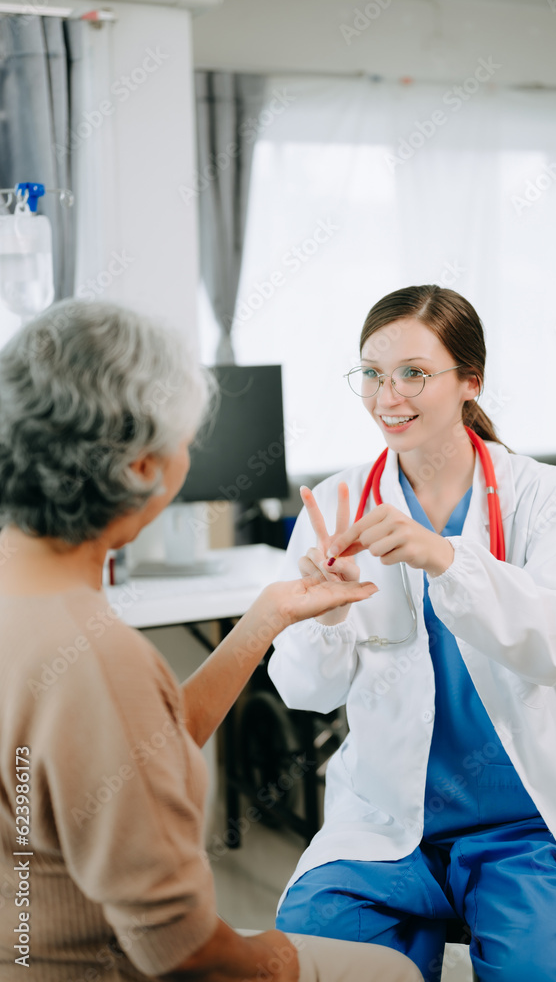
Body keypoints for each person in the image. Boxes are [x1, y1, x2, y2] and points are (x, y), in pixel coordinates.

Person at [0, 299, 424, 982]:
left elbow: (130, 751)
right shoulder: (94, 657)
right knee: (393, 972)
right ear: (142, 469)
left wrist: (264, 619)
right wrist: (286, 959)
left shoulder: (27, 601)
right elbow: (188, 953)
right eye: (185, 442)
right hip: (87, 966)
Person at [268, 286, 556, 982]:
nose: (386, 395)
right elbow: (304, 692)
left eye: (412, 372)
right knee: (311, 956)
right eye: (371, 373)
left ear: (471, 381)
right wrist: (327, 616)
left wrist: (446, 558)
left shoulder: (544, 498)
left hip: (522, 827)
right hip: (383, 822)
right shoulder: (337, 506)